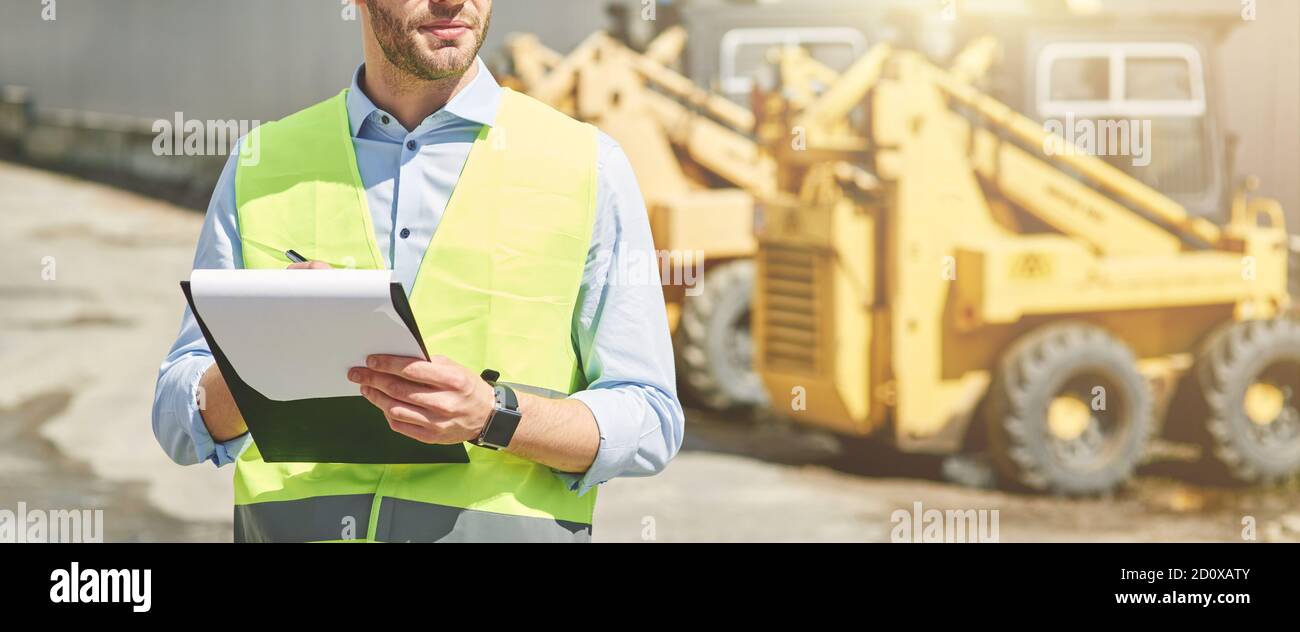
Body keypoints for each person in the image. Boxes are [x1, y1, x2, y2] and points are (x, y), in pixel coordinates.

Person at [152, 0, 684, 542]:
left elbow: (649, 418)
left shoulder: (587, 166)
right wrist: (266, 352)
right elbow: (177, 418)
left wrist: (493, 418)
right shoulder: (259, 164)